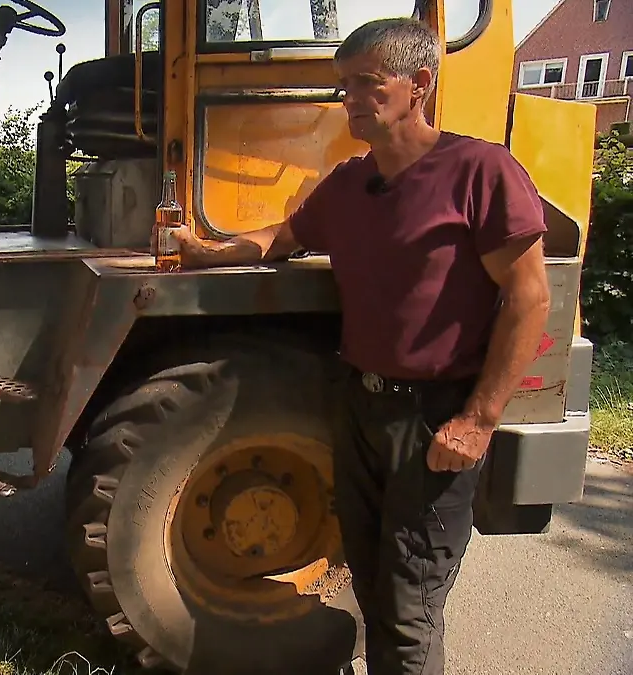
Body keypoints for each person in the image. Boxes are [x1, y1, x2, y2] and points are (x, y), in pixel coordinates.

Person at [173, 17, 551, 675]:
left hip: (433, 419)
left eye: (366, 84)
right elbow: (280, 237)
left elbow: (529, 298)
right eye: (343, 85)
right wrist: (208, 253)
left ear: (419, 85)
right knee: (374, 586)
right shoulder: (351, 182)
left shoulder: (479, 171)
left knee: (412, 607)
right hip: (362, 411)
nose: (348, 98)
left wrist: (479, 418)